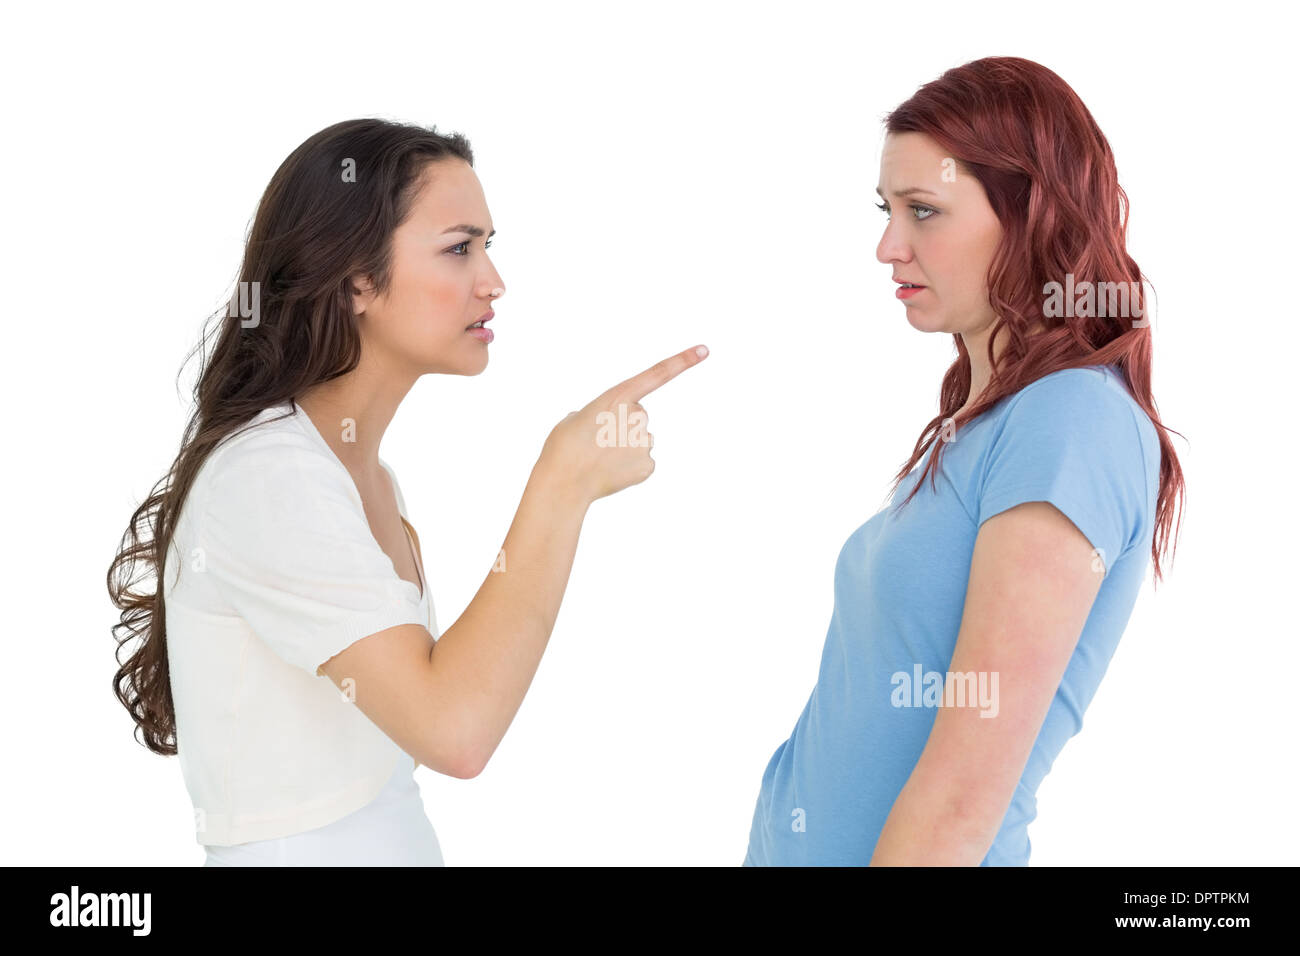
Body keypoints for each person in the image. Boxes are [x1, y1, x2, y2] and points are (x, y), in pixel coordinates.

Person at [106, 118, 708, 865]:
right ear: (357, 277)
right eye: (460, 248)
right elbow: (456, 731)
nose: (493, 281)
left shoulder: (360, 476)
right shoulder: (269, 478)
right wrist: (564, 480)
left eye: (489, 247)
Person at [743, 56, 1186, 866]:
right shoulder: (983, 429)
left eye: (923, 211)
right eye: (887, 209)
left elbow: (959, 805)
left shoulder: (1071, 420)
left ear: (1031, 216)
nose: (887, 245)